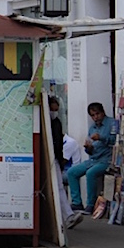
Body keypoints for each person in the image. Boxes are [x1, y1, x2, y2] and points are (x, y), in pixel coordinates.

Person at [67, 102, 117, 214]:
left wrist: (101, 137)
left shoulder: (111, 123)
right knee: (72, 172)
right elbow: (90, 150)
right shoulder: (92, 128)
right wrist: (88, 148)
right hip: (93, 159)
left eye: (97, 114)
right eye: (93, 115)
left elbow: (114, 141)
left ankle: (90, 204)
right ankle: (77, 202)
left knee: (91, 173)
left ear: (103, 112)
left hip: (106, 159)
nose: (95, 117)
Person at [48, 97, 82, 229]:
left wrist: (60, 160)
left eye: (56, 110)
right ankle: (66, 216)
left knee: (59, 187)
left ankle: (68, 216)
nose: (54, 112)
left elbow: (58, 145)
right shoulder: (48, 123)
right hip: (51, 158)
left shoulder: (56, 123)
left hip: (54, 159)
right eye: (52, 109)